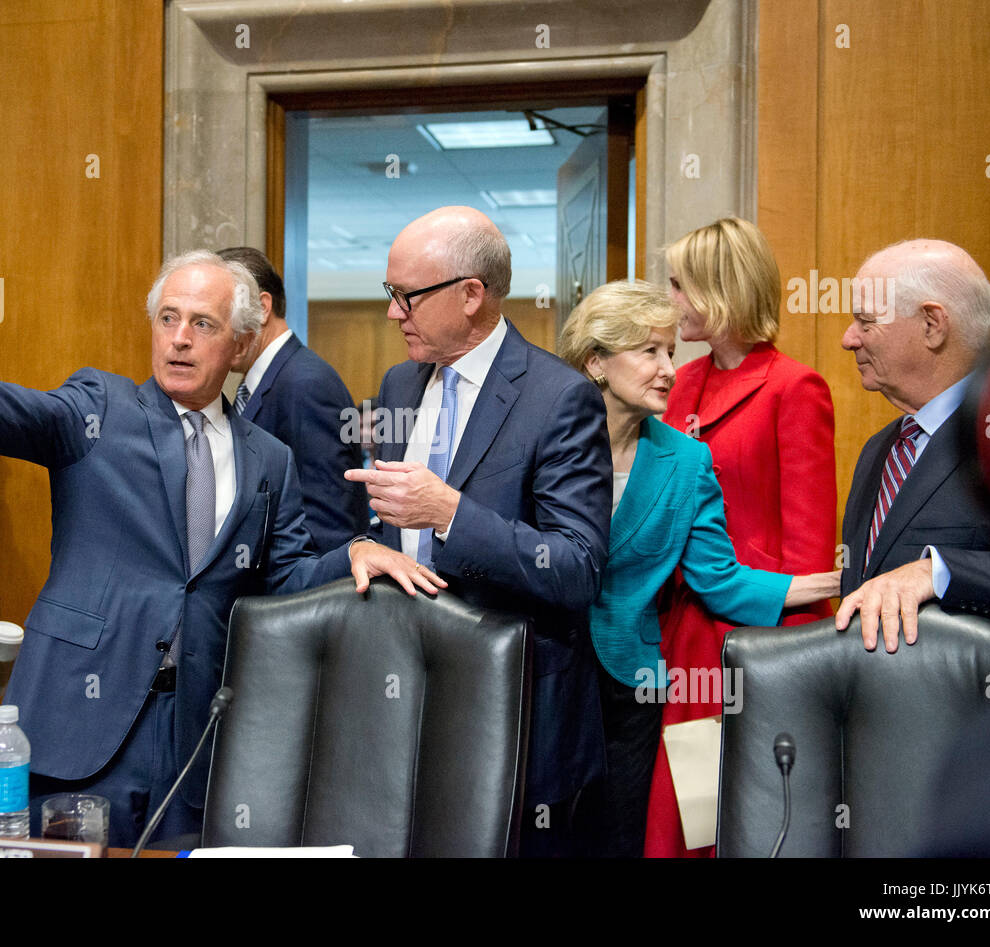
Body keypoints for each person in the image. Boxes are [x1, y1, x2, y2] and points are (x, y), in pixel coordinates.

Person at [0, 250, 439, 848]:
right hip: (80, 724)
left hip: (197, 734)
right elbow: (11, 410)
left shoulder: (271, 459)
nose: (180, 338)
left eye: (203, 324)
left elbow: (285, 574)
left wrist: (353, 552)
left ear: (240, 342)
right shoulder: (100, 406)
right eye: (168, 318)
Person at [346, 206, 614, 857]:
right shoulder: (398, 385)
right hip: (402, 702)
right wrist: (367, 543)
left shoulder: (560, 398)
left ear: (471, 295)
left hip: (516, 720)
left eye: (406, 295)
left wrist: (450, 514)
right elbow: (390, 524)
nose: (392, 312)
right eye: (390, 293)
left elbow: (577, 567)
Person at [556, 280, 840, 856]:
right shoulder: (542, 440)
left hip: (632, 682)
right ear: (596, 362)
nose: (668, 369)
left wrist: (818, 585)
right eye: (649, 352)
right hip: (548, 667)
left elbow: (717, 577)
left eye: (670, 352)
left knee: (618, 836)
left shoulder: (687, 459)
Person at [650, 216, 837, 858]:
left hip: (753, 643)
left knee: (738, 828)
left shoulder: (795, 388)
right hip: (678, 636)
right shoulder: (678, 382)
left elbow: (810, 554)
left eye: (681, 285)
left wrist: (788, 670)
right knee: (686, 822)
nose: (669, 301)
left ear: (722, 288)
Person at [834, 239, 990, 649]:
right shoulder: (879, 451)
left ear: (932, 325)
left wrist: (940, 572)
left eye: (865, 321)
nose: (848, 339)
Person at [217, 247, 367, 552]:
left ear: (261, 308)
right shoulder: (263, 379)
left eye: (224, 314)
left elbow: (329, 524)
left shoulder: (306, 384)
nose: (218, 332)